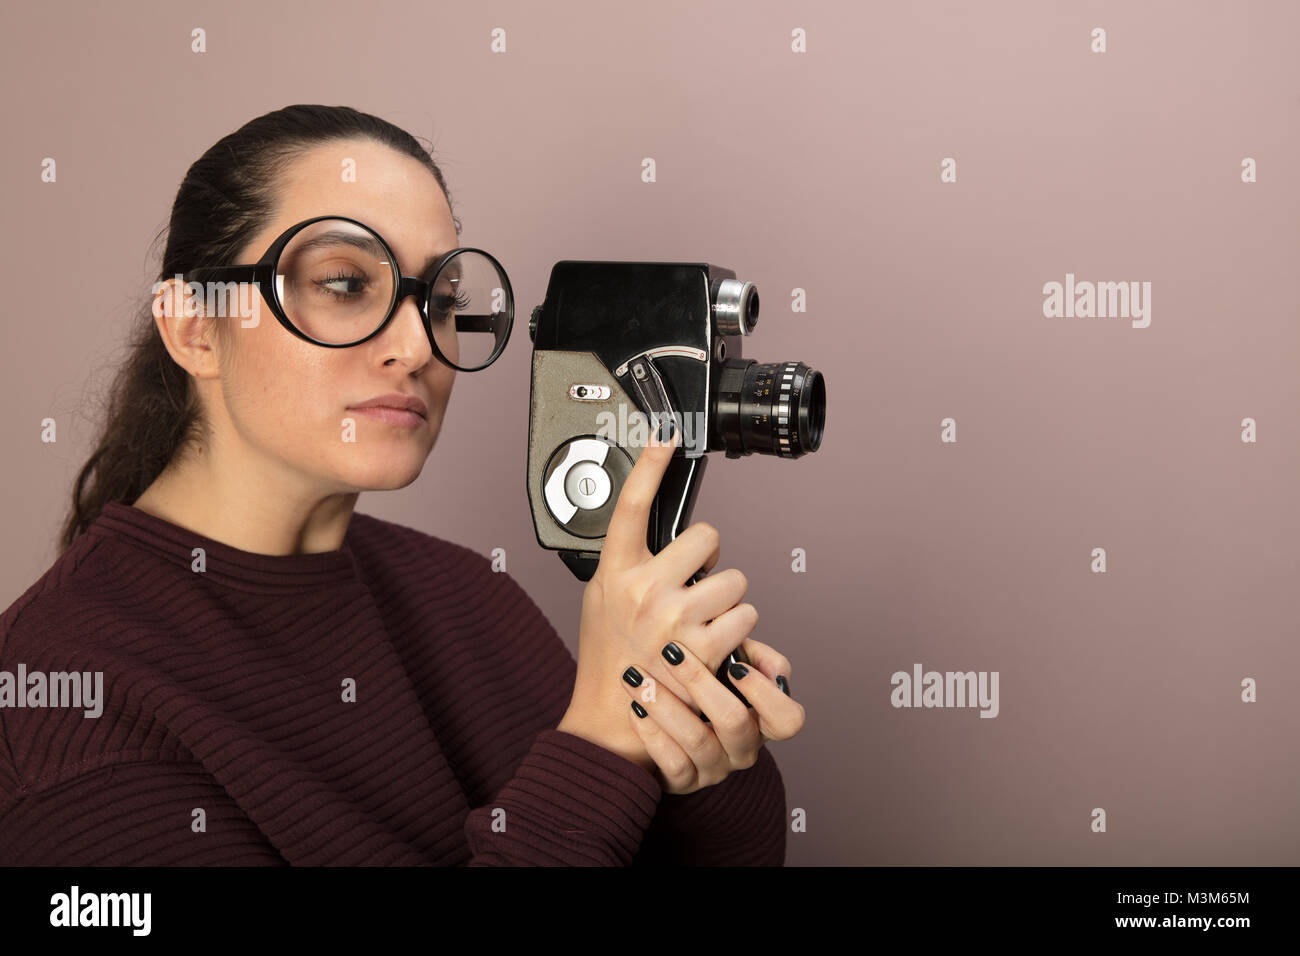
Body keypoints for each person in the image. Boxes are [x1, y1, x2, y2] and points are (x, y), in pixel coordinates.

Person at [0, 104, 805, 866]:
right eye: (346, 284)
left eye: (443, 300)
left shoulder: (468, 595)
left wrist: (695, 754)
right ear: (194, 327)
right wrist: (598, 745)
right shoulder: (61, 708)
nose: (418, 345)